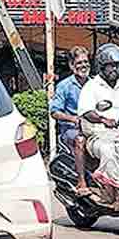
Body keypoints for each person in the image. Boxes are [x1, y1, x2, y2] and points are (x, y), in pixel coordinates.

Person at [76, 43, 119, 208]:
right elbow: (86, 112)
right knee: (109, 151)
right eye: (110, 66)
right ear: (102, 67)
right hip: (97, 136)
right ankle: (116, 193)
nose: (114, 70)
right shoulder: (92, 87)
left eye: (118, 66)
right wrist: (104, 120)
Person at [51, 46, 92, 195]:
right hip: (71, 130)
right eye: (79, 62)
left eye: (86, 62)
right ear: (72, 65)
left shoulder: (94, 84)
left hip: (92, 127)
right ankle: (81, 182)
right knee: (80, 140)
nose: (83, 65)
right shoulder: (64, 86)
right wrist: (73, 119)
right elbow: (54, 112)